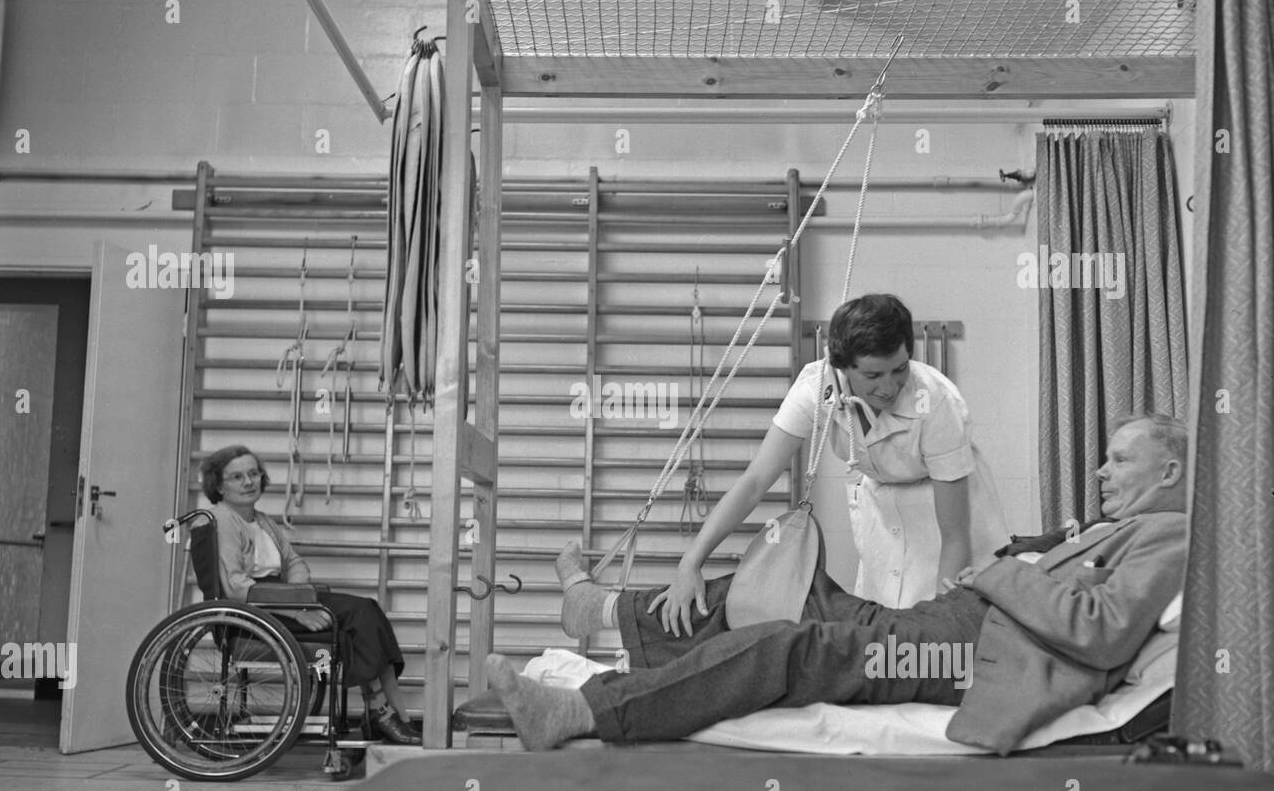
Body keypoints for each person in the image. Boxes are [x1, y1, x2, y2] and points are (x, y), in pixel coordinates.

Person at [488, 413, 1188, 756]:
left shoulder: (1175, 534)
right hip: (955, 623)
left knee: (796, 649)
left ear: (1172, 471)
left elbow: (1100, 628)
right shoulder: (1109, 527)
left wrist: (1002, 569)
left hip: (969, 654)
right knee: (786, 586)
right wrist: (1027, 555)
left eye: (1119, 459)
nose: (1101, 471)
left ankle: (585, 710)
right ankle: (608, 610)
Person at [652, 293, 1008, 637]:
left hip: (950, 518)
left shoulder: (936, 401)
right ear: (842, 367)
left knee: (951, 636)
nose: (889, 387)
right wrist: (690, 563)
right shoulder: (816, 387)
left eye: (899, 370)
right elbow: (755, 481)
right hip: (886, 515)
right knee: (886, 636)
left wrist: (943, 624)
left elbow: (955, 533)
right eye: (872, 376)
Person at [200, 444, 420, 745]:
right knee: (359, 616)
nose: (249, 482)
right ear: (219, 486)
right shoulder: (222, 519)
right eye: (237, 477)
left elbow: (294, 563)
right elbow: (236, 586)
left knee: (367, 610)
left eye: (253, 473)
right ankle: (382, 711)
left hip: (283, 599)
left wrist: (298, 597)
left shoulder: (262, 520)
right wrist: (295, 609)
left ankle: (385, 711)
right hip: (255, 612)